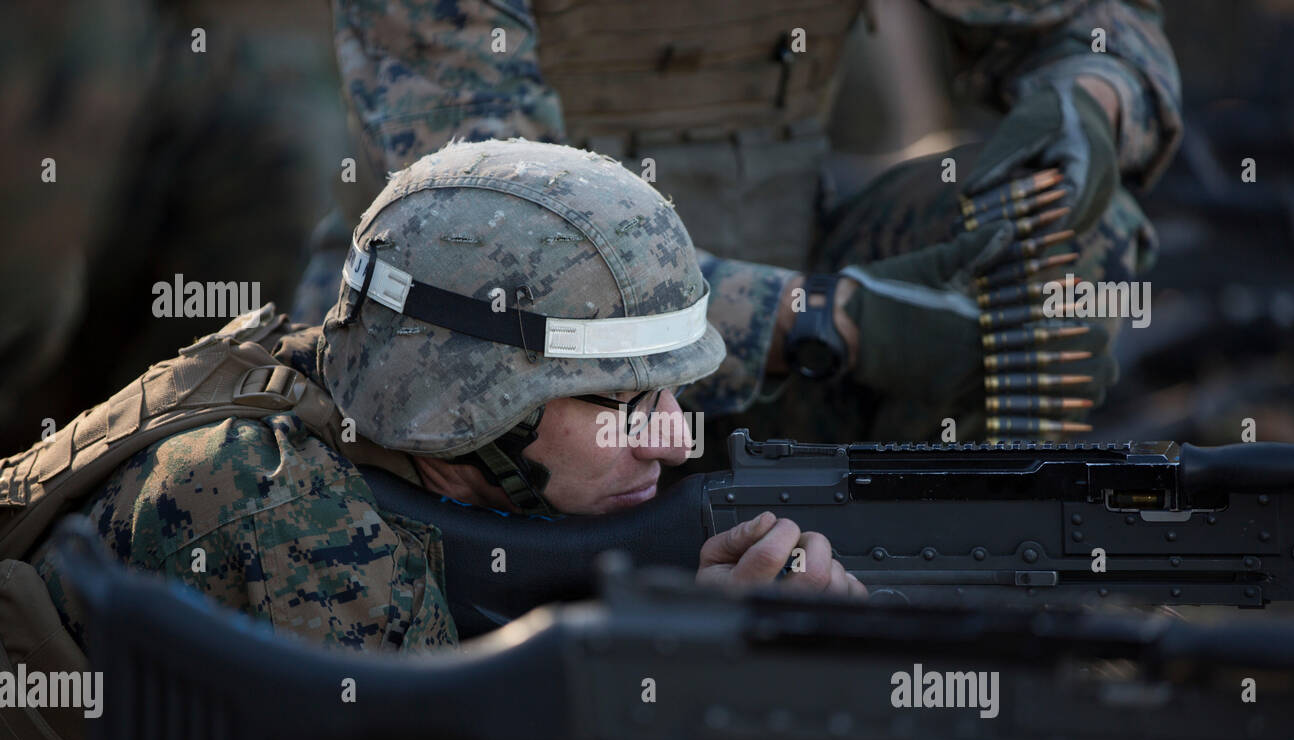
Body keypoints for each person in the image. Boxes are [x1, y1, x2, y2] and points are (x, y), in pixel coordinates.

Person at [9, 139, 864, 740]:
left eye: (679, 393)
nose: (674, 441)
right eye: (620, 403)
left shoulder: (367, 410)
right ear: (470, 400)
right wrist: (684, 688)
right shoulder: (269, 501)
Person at [292, 0, 1183, 453]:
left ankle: (953, 598)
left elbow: (1092, 26)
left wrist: (1089, 106)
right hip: (490, 354)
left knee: (1071, 238)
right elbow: (482, 229)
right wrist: (827, 322)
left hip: (787, 280)